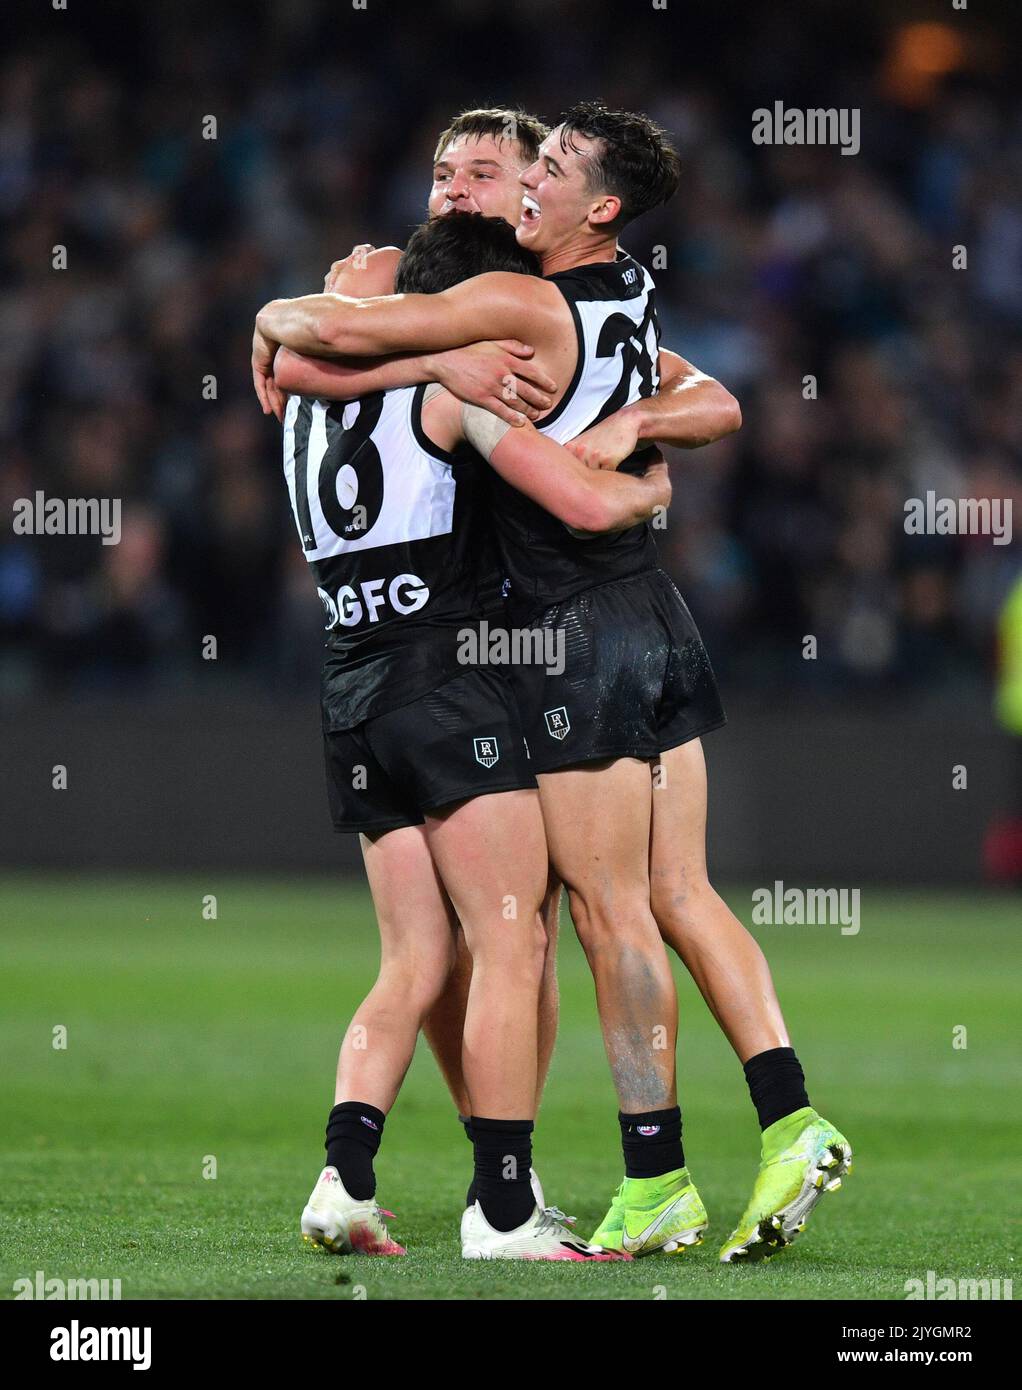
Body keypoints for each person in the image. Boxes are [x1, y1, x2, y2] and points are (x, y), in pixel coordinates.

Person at [260, 102, 851, 1262]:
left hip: (558, 632)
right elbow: (719, 400)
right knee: (674, 893)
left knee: (587, 912)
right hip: (650, 613)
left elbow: (307, 333)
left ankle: (641, 1179)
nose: (474, 190)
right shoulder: (616, 285)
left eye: (508, 171)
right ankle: (785, 1114)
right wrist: (639, 428)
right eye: (450, 172)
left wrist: (294, 326)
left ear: (584, 199)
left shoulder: (507, 295)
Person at [291, 212, 668, 1260]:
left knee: (412, 957)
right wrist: (645, 478)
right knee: (511, 938)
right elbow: (578, 506)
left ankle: (343, 1177)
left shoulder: (302, 398)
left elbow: (296, 329)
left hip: (347, 685)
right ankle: (503, 1208)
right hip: (447, 685)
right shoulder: (447, 387)